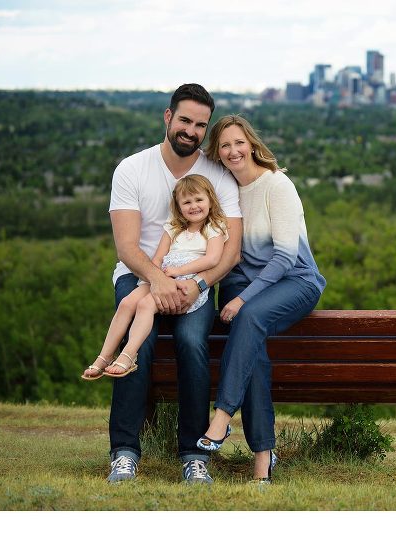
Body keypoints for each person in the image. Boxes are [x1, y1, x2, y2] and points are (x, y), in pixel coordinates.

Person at [97, 84, 242, 485]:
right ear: (168, 117)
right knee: (137, 345)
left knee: (193, 344)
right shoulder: (132, 169)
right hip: (139, 275)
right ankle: (124, 452)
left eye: (200, 125)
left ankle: (194, 455)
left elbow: (230, 251)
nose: (191, 131)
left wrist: (199, 284)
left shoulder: (219, 174)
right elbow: (127, 247)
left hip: (196, 281)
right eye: (184, 120)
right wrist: (158, 279)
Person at [197, 115, 326, 483]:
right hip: (242, 279)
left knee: (249, 317)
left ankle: (222, 416)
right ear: (217, 154)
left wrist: (242, 301)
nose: (233, 151)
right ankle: (263, 462)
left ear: (251, 144)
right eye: (224, 145)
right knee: (253, 350)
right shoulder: (225, 191)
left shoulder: (277, 185)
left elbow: (285, 257)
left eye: (239, 142)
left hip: (294, 279)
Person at [82, 174, 228, 381]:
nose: (194, 206)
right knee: (127, 303)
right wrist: (157, 278)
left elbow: (212, 259)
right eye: (187, 202)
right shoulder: (173, 228)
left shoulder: (214, 228)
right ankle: (104, 356)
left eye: (199, 200)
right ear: (178, 207)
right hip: (163, 277)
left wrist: (179, 271)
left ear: (210, 201)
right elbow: (159, 257)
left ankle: (128, 355)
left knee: (145, 305)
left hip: (186, 281)